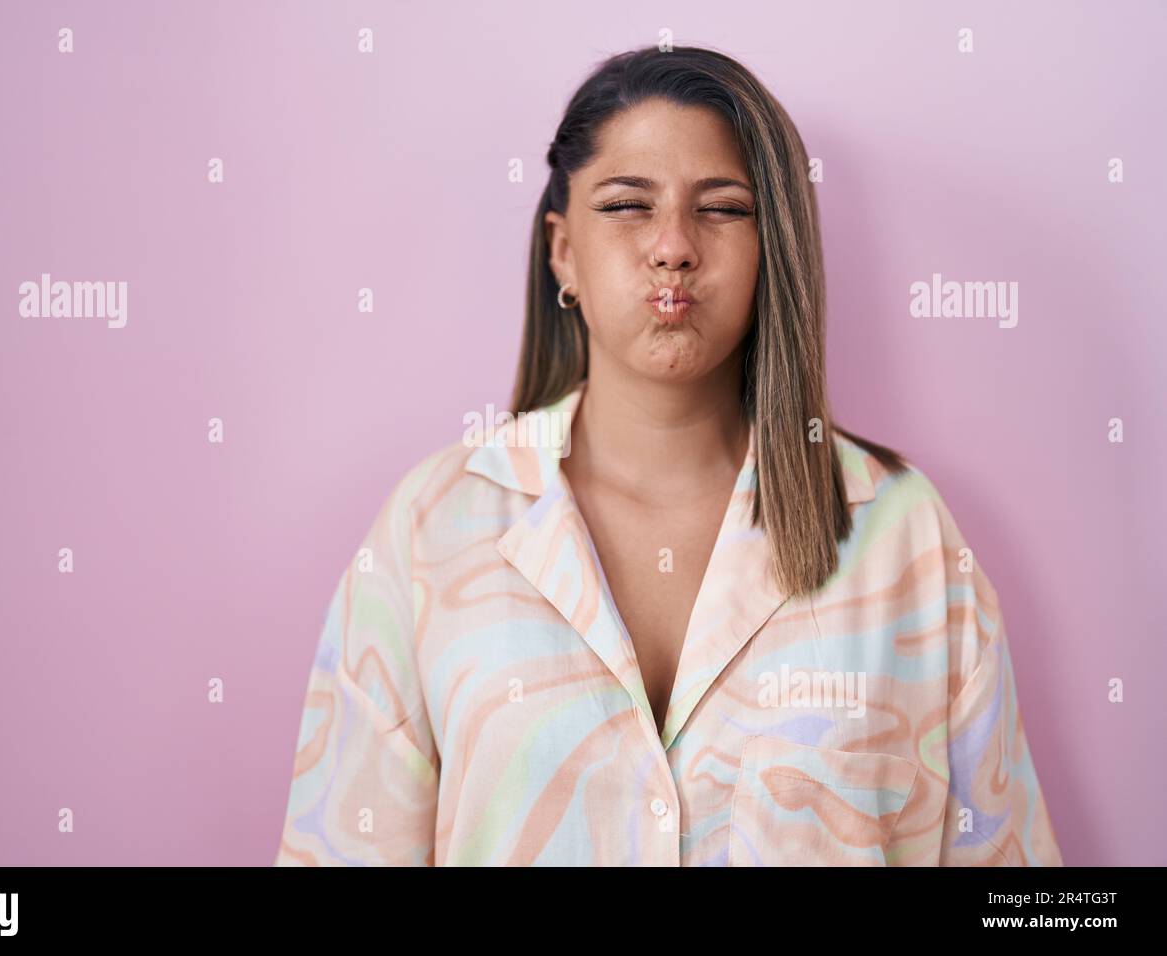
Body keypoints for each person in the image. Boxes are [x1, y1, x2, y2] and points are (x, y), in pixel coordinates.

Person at [274, 45, 1063, 866]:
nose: (674, 247)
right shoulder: (430, 529)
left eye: (722, 209)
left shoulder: (904, 536)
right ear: (562, 251)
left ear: (774, 251)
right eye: (626, 206)